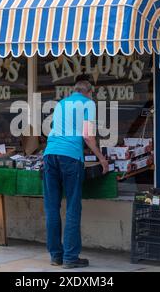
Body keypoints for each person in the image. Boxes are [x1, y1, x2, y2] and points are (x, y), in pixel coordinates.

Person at [42, 75, 109, 269]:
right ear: (89, 92)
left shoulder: (62, 103)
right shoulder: (88, 104)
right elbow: (88, 136)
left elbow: (55, 129)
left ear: (74, 90)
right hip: (70, 157)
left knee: (51, 207)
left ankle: (56, 256)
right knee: (72, 206)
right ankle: (70, 258)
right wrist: (101, 159)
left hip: (50, 154)